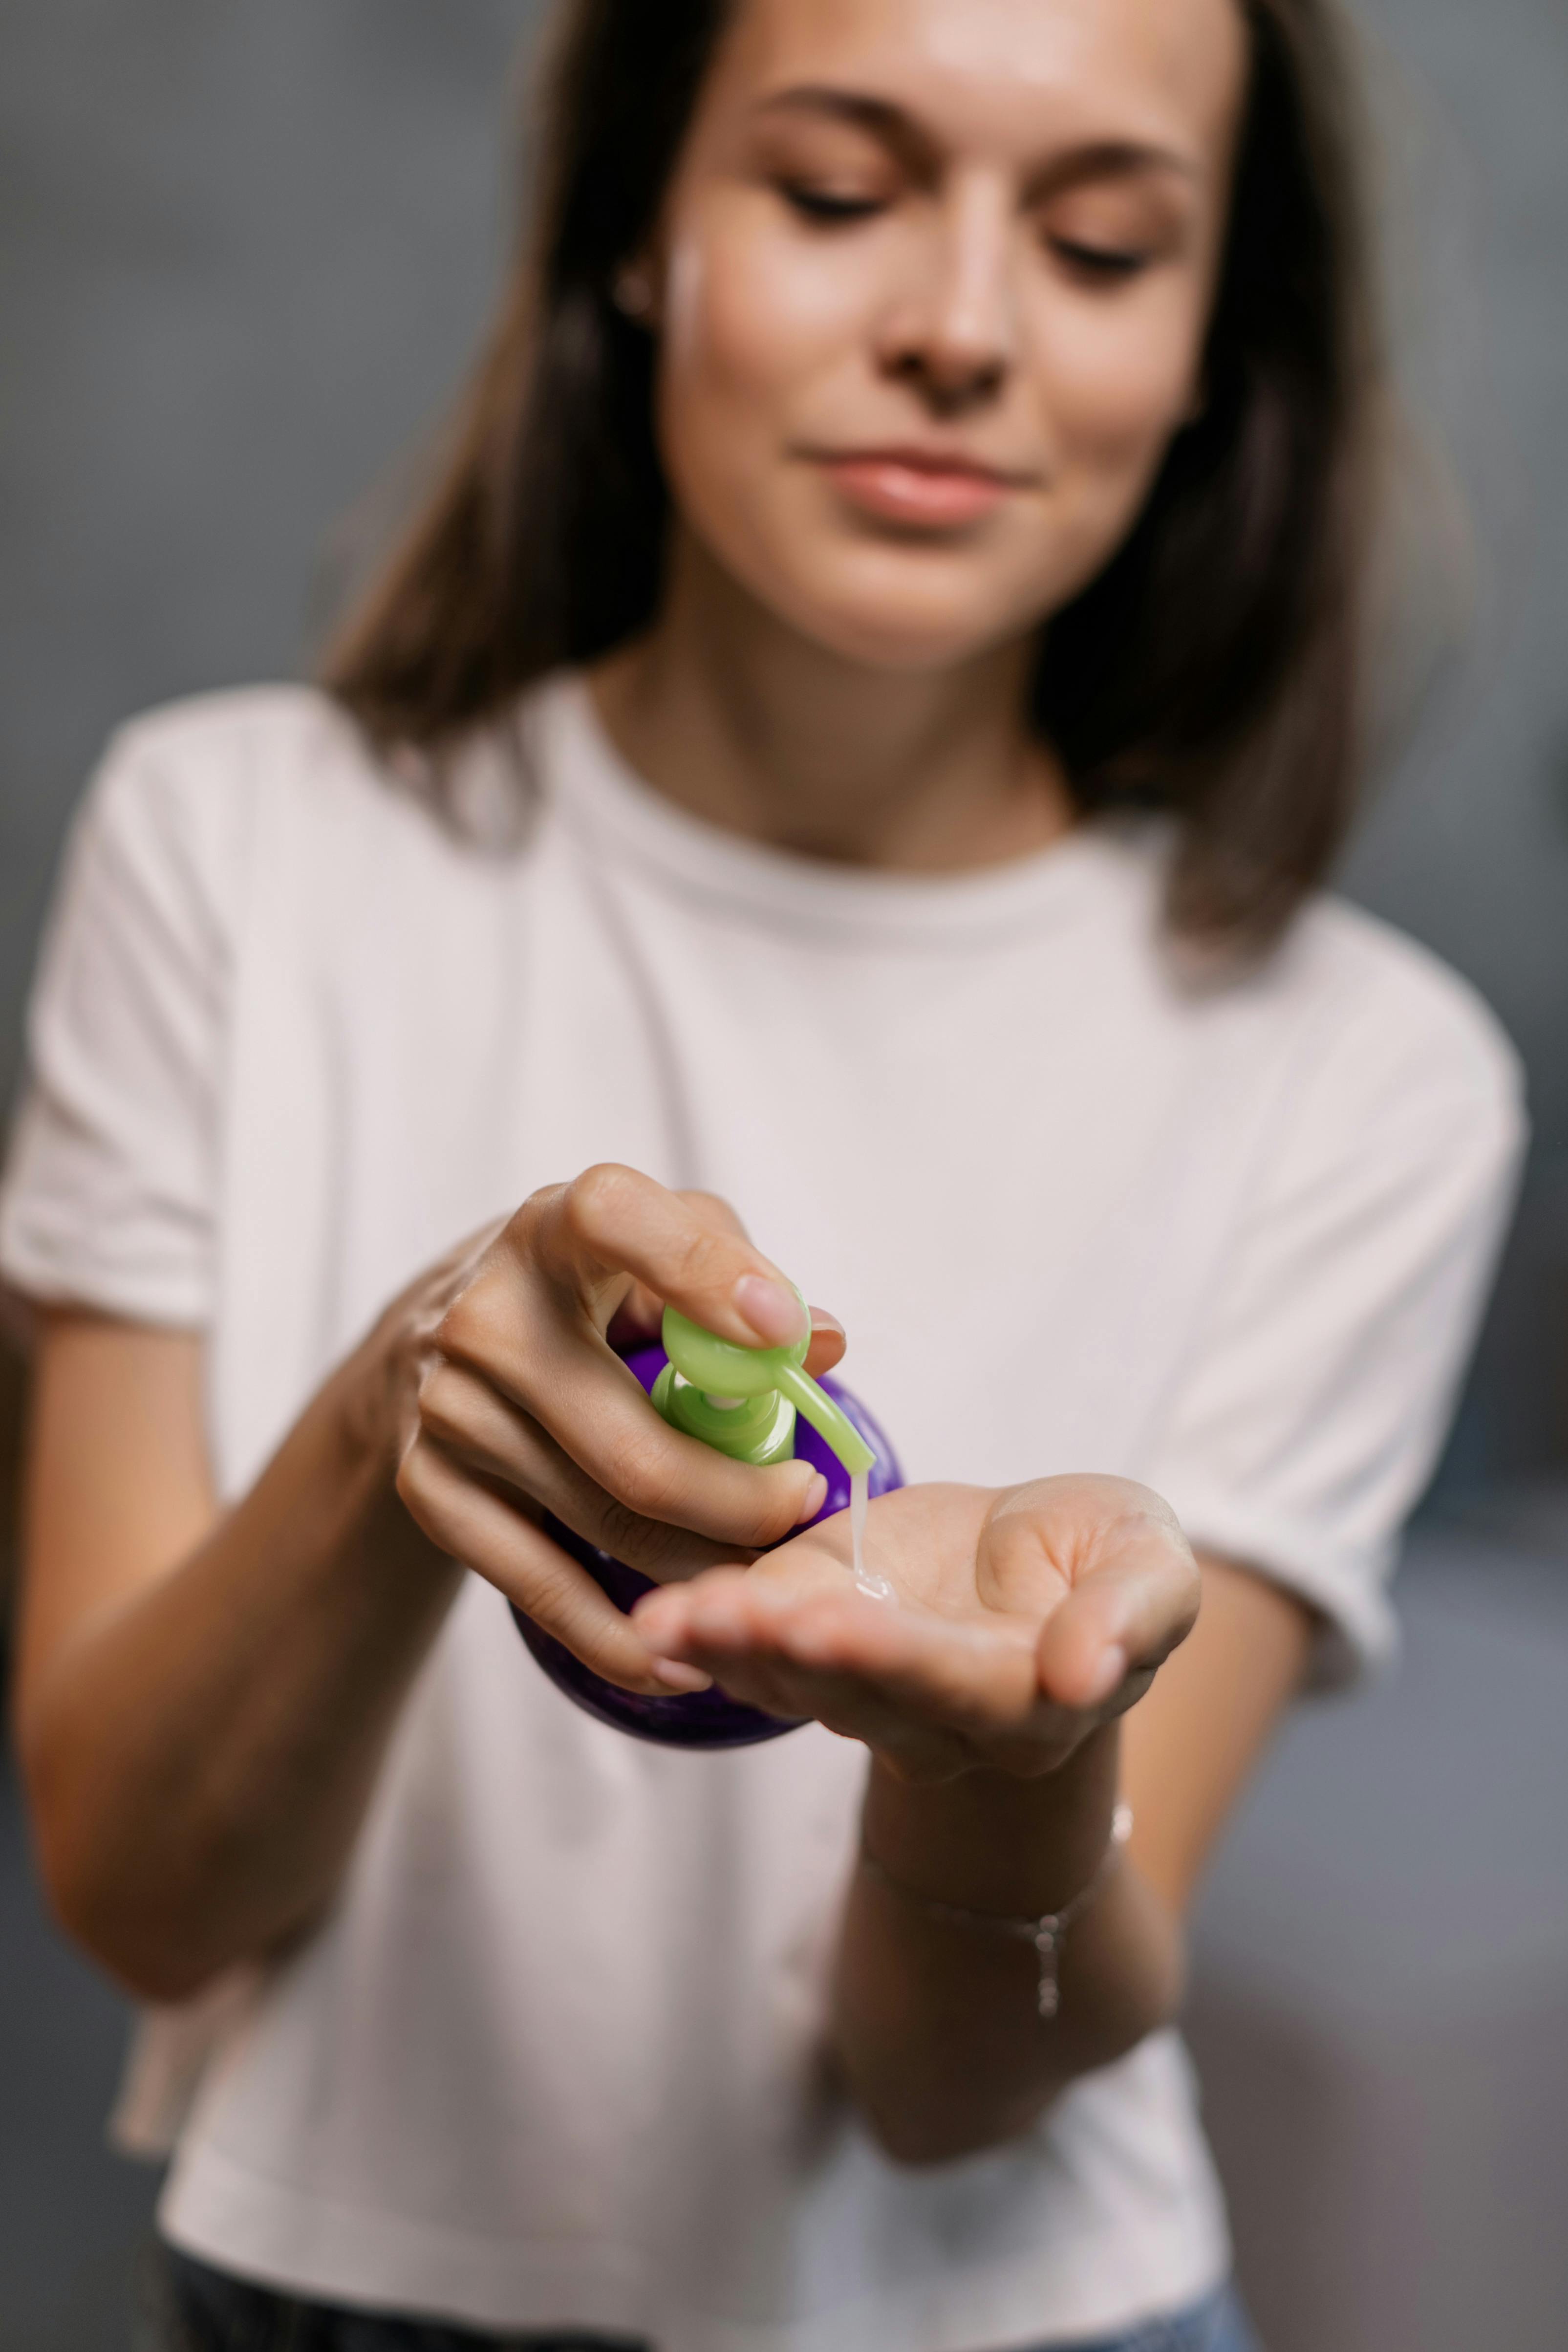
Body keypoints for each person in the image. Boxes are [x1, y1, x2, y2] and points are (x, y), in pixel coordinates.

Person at [1, 0, 1526, 2345]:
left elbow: (947, 2095)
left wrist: (1009, 1759)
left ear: (1212, 348)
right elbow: (140, 1894)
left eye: (1100, 246)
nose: (958, 327)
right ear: (638, 229)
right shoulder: (228, 853)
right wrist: (398, 1419)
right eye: (834, 190)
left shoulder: (1366, 1080)